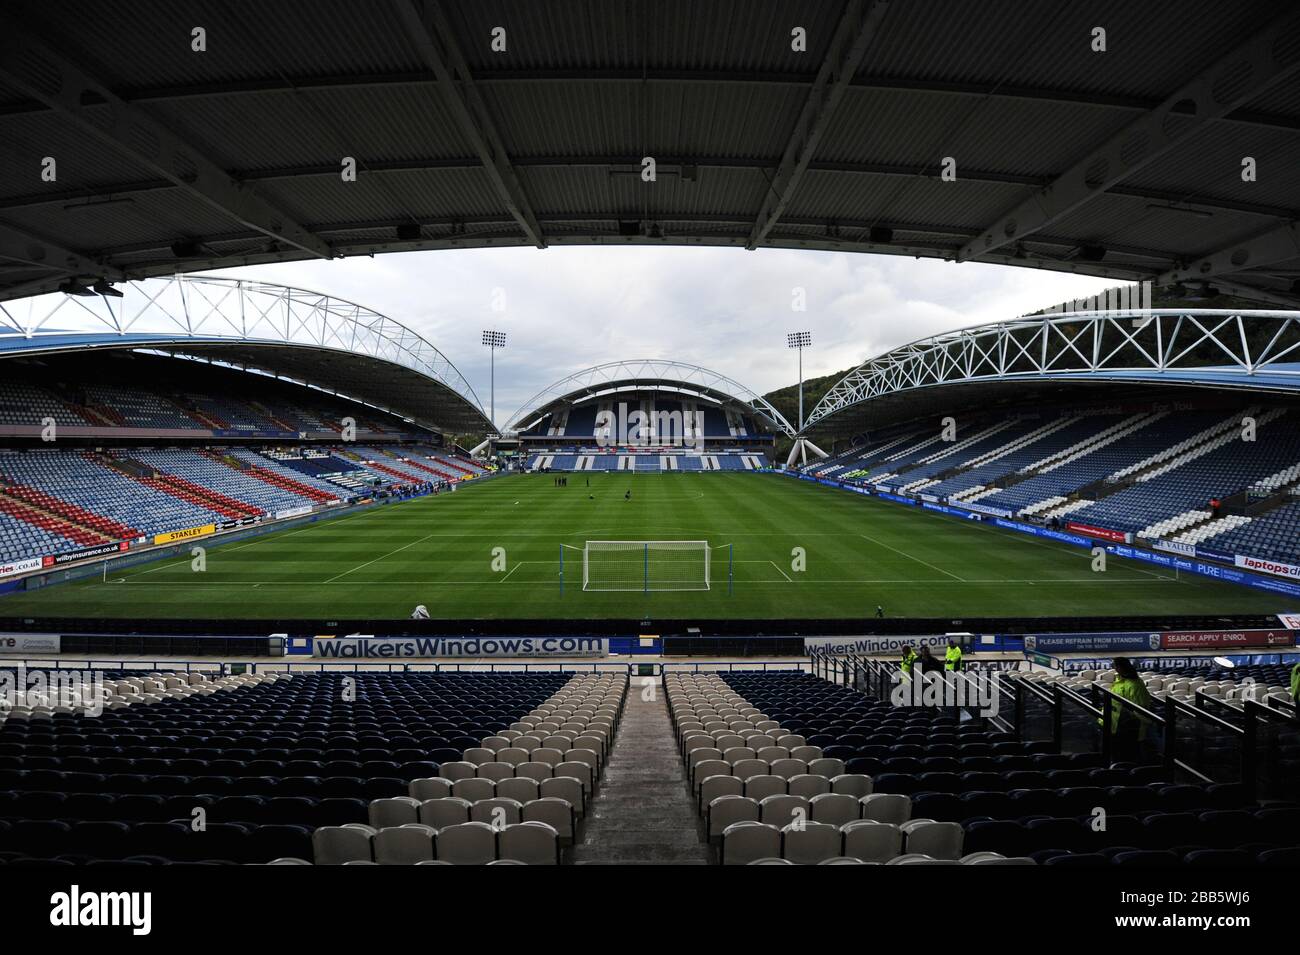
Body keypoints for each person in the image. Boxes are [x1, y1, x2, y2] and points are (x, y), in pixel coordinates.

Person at [1104, 657, 1153, 762]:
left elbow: (1140, 710)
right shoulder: (1121, 680)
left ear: (1120, 668)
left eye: (1115, 666)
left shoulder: (1134, 685)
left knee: (1128, 757)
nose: (1114, 669)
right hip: (1116, 726)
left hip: (1129, 729)